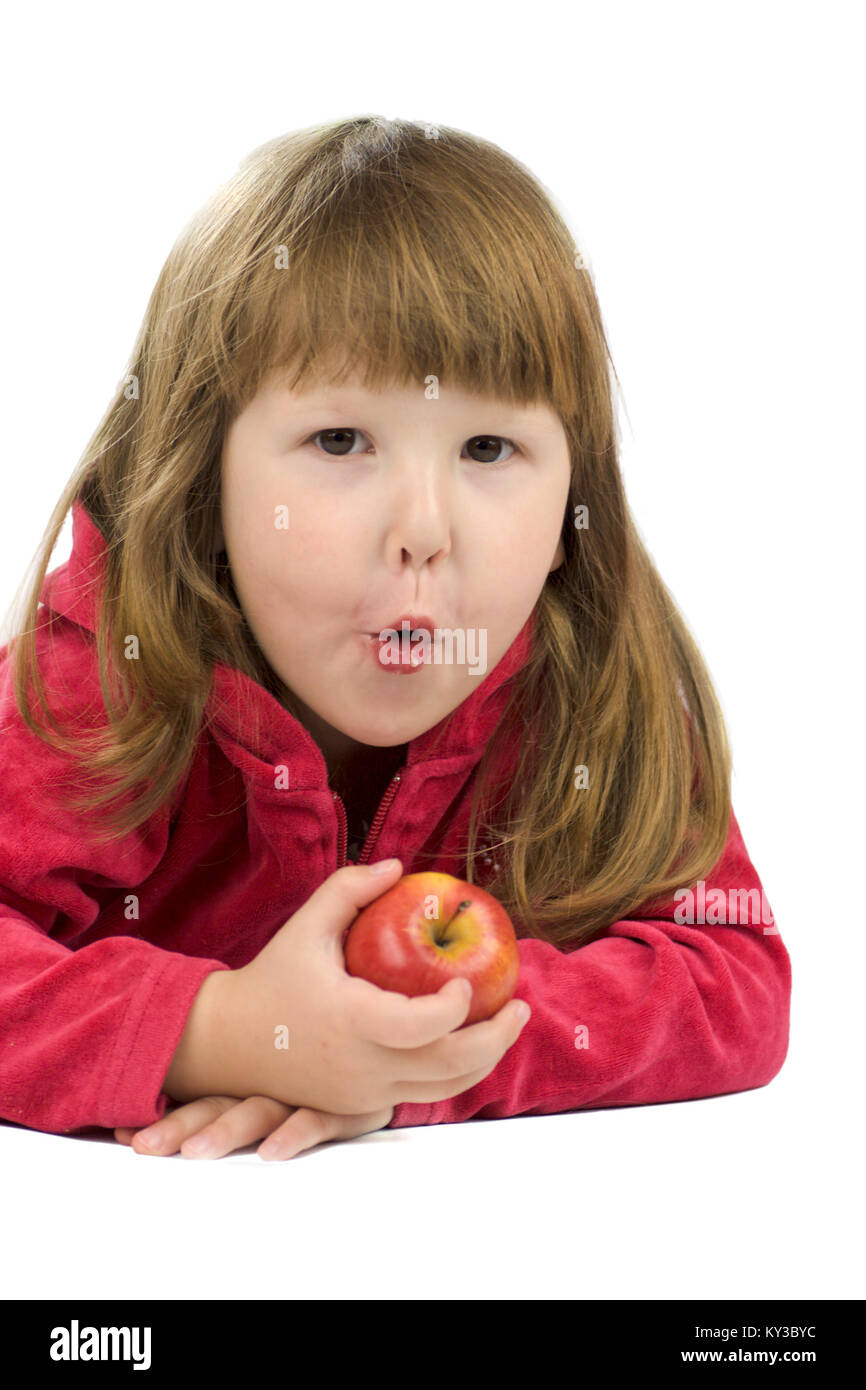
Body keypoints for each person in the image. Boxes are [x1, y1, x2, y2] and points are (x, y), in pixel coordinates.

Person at [0, 115, 790, 1161]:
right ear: (204, 479)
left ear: (571, 508)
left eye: (488, 447)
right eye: (339, 440)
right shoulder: (102, 674)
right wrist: (224, 1032)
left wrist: (418, 1059)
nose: (423, 530)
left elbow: (728, 973)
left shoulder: (589, 688)